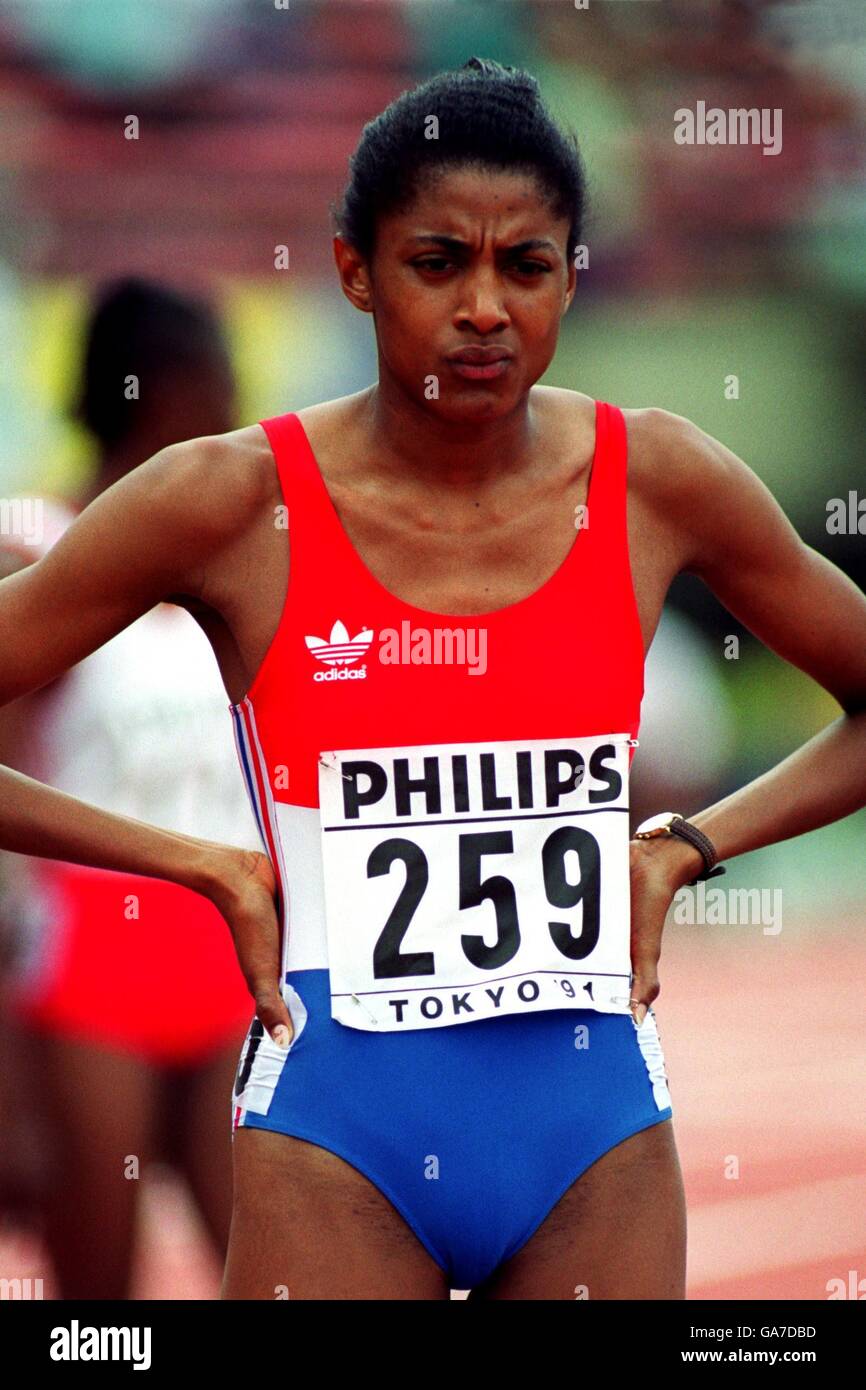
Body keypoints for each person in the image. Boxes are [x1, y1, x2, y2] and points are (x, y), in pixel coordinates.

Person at [0, 59, 863, 1301]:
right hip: (342, 1137)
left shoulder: (656, 480)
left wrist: (680, 845)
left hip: (593, 1134)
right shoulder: (235, 502)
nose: (483, 309)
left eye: (526, 267)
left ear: (573, 274)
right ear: (353, 268)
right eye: (436, 260)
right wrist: (195, 862)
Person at [0, 278, 260, 1299]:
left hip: (234, 955)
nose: (237, 404)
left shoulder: (240, 555)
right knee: (101, 1304)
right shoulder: (38, 550)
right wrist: (6, 1086)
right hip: (88, 969)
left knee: (273, 1267)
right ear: (161, 393)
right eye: (219, 380)